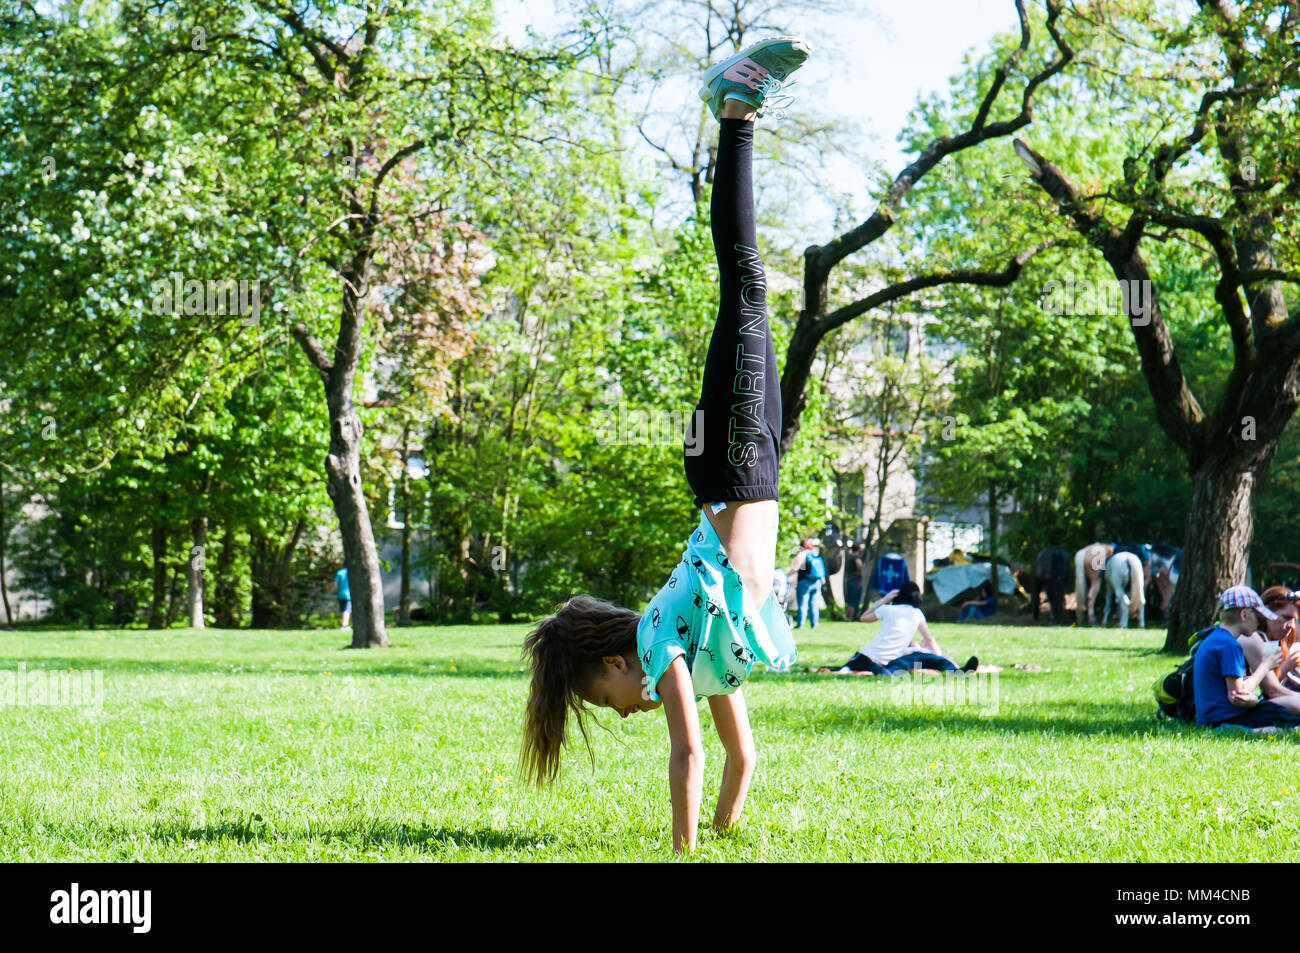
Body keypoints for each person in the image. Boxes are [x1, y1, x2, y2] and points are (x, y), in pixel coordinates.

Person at [520, 36, 812, 855]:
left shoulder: (657, 639)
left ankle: (735, 106)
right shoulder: (706, 654)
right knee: (751, 290)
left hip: (730, 467)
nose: (633, 708)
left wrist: (681, 854)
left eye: (614, 702)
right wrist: (723, 834)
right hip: (744, 471)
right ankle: (735, 111)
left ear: (614, 666)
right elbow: (738, 757)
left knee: (747, 283)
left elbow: (689, 752)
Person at [1191, 585, 1300, 730]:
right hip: (1227, 718)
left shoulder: (1214, 639)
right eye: (1258, 617)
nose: (1259, 623)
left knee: (1278, 714)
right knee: (1285, 720)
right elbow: (1238, 694)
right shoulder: (1230, 645)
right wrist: (1266, 665)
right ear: (1244, 615)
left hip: (1211, 718)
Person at [819, 581, 978, 676]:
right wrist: (946, 659)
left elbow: (863, 617)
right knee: (927, 660)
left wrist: (884, 600)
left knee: (901, 664)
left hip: (875, 657)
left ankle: (881, 670)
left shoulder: (887, 609)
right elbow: (929, 640)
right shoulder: (917, 613)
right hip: (893, 659)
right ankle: (956, 670)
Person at [793, 537, 826, 629]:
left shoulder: (802, 554)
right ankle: (814, 624)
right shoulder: (814, 554)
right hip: (816, 582)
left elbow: (796, 567)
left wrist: (786, 576)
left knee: (803, 604)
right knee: (814, 604)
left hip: (804, 582)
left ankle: (800, 624)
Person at [844, 542, 864, 621]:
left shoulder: (849, 557)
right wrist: (860, 570)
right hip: (856, 580)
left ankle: (847, 616)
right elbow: (859, 564)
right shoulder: (856, 557)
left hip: (849, 580)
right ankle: (851, 618)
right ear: (859, 549)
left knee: (850, 601)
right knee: (853, 601)